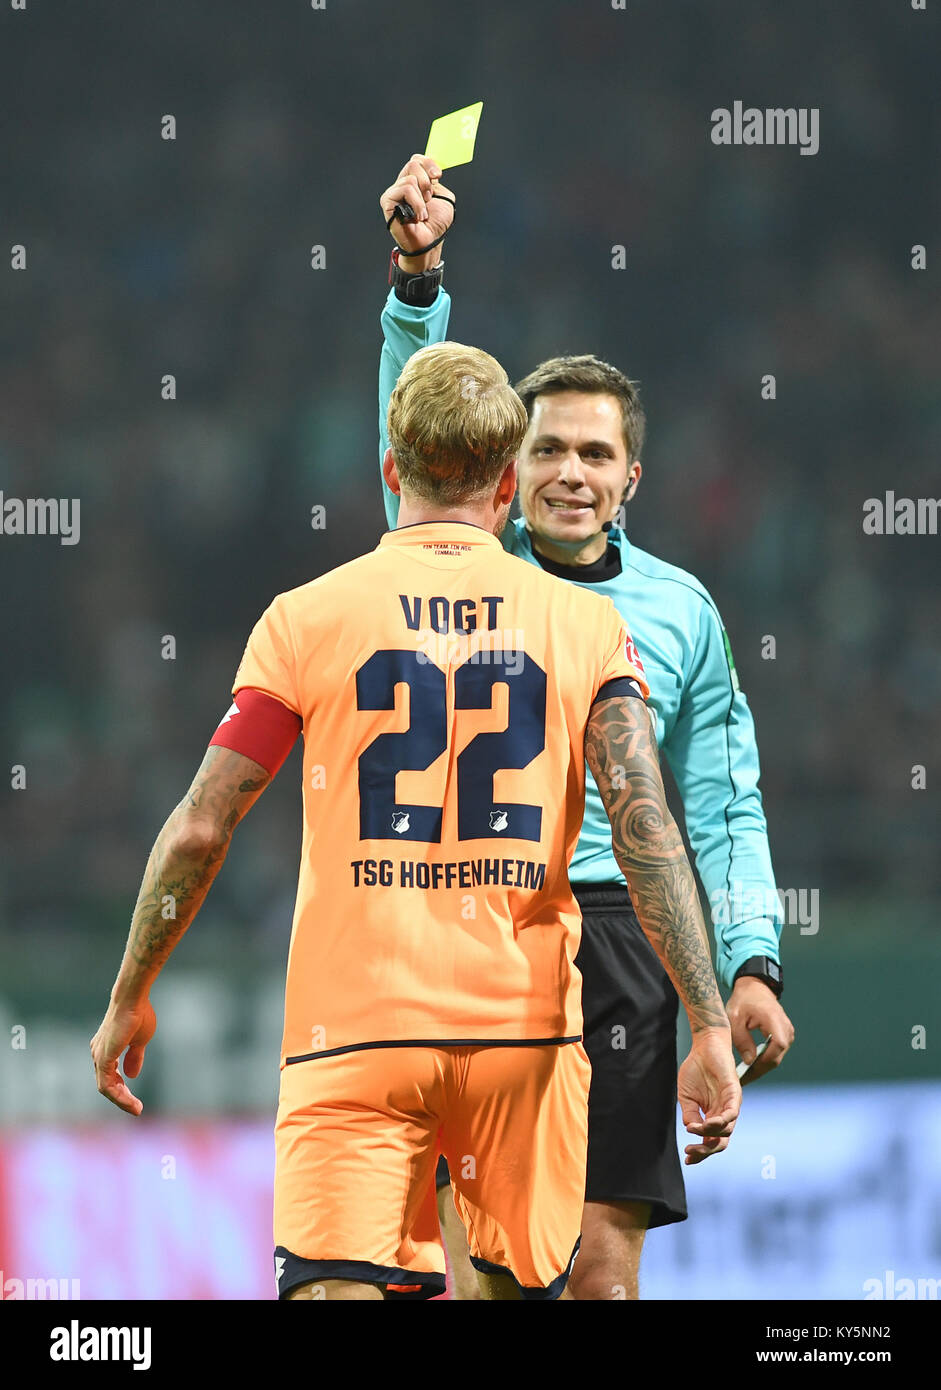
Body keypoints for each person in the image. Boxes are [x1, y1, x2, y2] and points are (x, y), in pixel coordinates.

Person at [90, 338, 740, 1302]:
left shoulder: (305, 617)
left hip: (353, 1035)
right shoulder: (584, 625)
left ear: (393, 471)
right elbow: (646, 835)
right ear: (508, 484)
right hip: (526, 1041)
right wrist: (709, 1019)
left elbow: (200, 827)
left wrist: (129, 993)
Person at [377, 154, 794, 1301]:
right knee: (490, 1282)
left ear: (630, 476)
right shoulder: (448, 563)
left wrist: (748, 960)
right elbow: (415, 419)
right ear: (501, 471)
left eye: (593, 453)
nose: (569, 471)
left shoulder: (680, 611)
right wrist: (418, 279)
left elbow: (717, 802)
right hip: (476, 915)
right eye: (545, 449)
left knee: (601, 1281)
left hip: (619, 934)